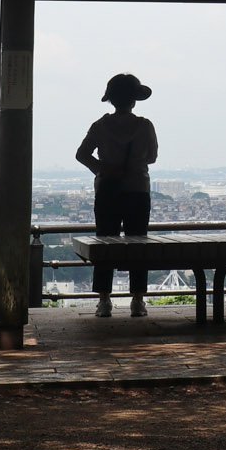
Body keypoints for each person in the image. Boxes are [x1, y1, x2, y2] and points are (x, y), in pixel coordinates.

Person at [74, 72, 158, 317]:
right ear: (134, 101)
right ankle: (137, 300)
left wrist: (102, 168)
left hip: (107, 191)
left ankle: (104, 300)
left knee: (105, 243)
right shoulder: (144, 126)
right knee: (138, 243)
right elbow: (152, 157)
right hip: (137, 190)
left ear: (111, 100)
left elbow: (82, 154)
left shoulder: (100, 126)